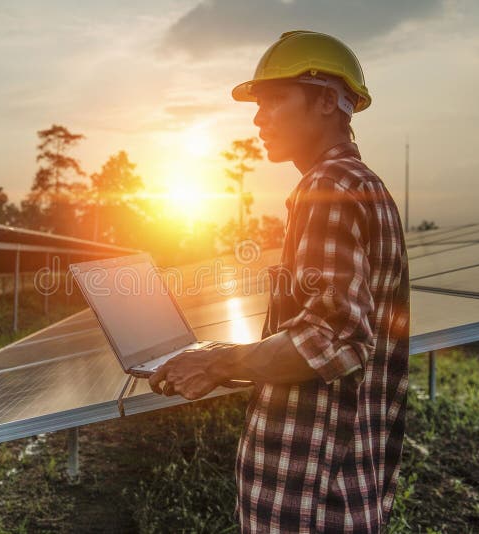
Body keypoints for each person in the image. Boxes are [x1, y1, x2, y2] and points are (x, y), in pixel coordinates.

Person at [150, 31, 410, 532]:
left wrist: (220, 360)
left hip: (311, 494)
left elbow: (332, 339)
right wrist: (220, 357)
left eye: (275, 100)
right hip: (343, 483)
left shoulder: (328, 187)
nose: (258, 117)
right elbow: (325, 330)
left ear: (327, 101)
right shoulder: (360, 185)